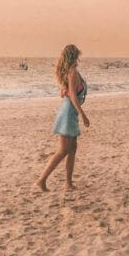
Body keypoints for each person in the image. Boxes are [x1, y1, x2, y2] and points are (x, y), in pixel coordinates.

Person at [36, 43, 90, 191]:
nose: (79, 57)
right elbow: (73, 95)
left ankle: (68, 183)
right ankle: (41, 180)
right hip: (68, 112)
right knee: (63, 150)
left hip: (70, 112)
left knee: (73, 148)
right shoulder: (72, 72)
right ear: (74, 55)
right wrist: (83, 115)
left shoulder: (73, 71)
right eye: (78, 55)